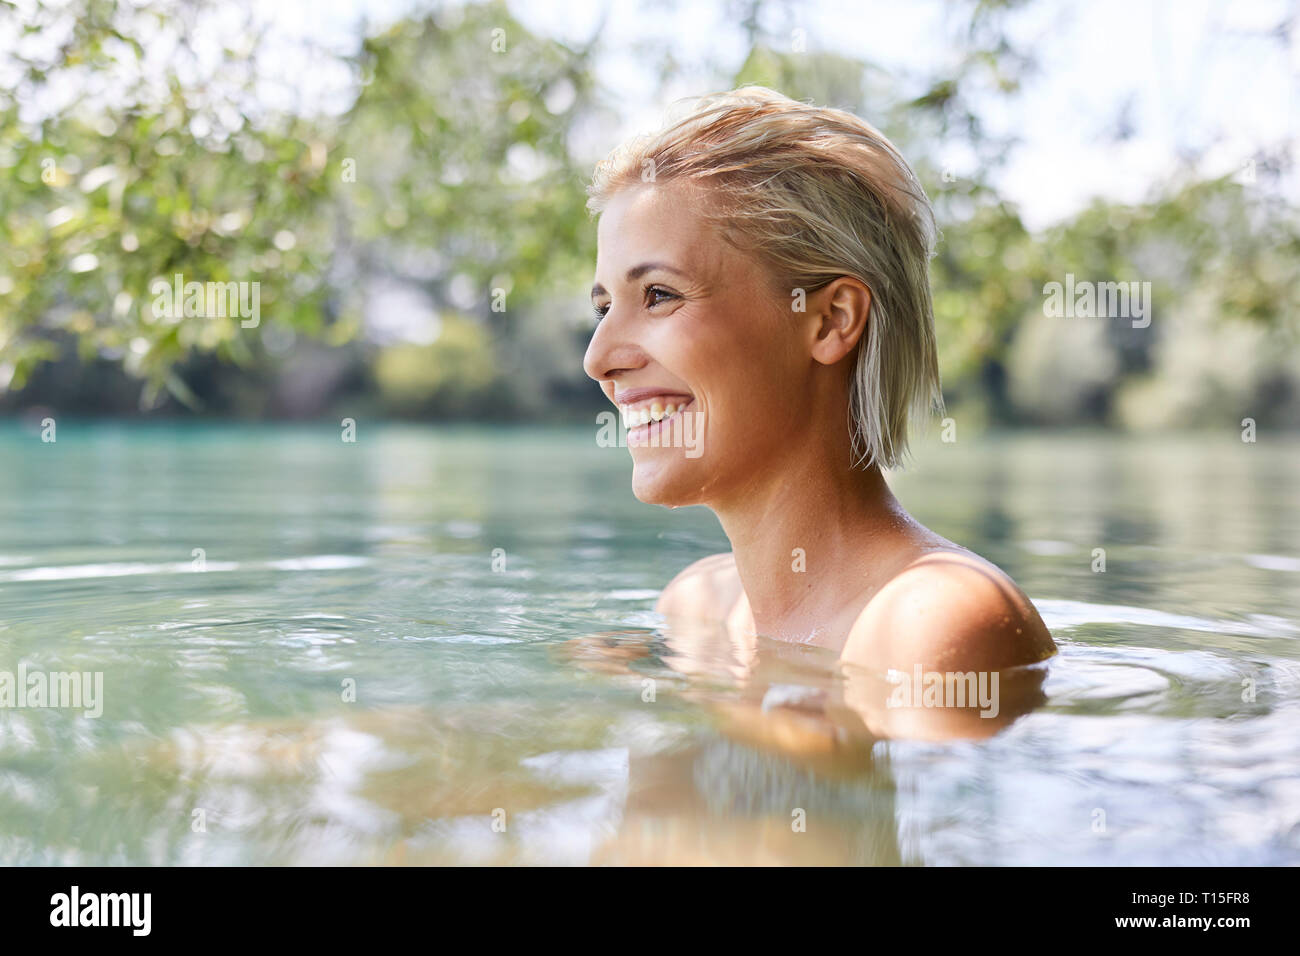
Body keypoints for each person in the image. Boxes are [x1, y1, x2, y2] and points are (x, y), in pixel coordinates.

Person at [583, 86, 1056, 691]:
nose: (598, 360)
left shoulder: (934, 621)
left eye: (660, 295)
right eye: (603, 307)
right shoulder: (696, 609)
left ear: (831, 320)